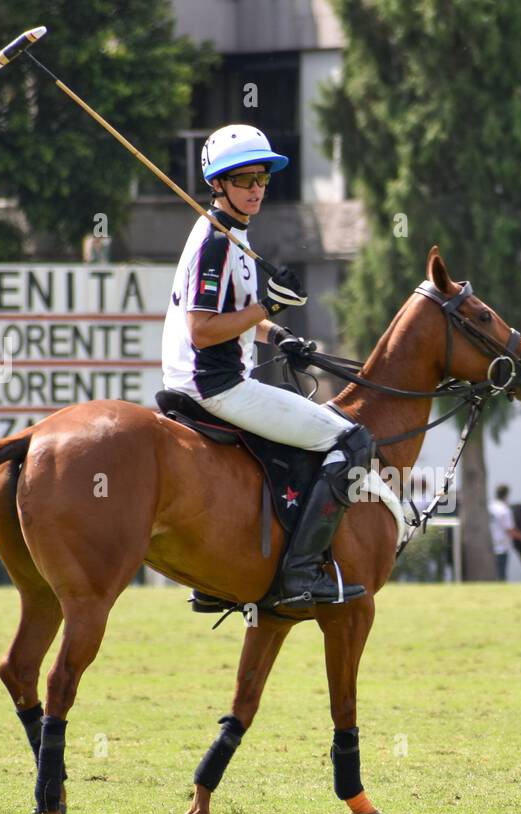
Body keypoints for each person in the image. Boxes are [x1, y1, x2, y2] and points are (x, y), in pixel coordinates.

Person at [160, 124, 374, 607]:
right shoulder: (215, 242)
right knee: (351, 439)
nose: (256, 189)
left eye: (262, 179)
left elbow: (236, 318)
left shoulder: (232, 235)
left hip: (211, 380)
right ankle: (300, 574)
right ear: (217, 184)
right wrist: (268, 308)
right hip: (216, 385)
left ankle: (221, 578)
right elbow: (203, 329)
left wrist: (278, 334)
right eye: (244, 180)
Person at [488, 484, 521, 580]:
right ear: (507, 495)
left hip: (489, 546)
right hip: (501, 547)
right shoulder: (504, 511)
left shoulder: (490, 507)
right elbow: (511, 531)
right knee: (501, 575)